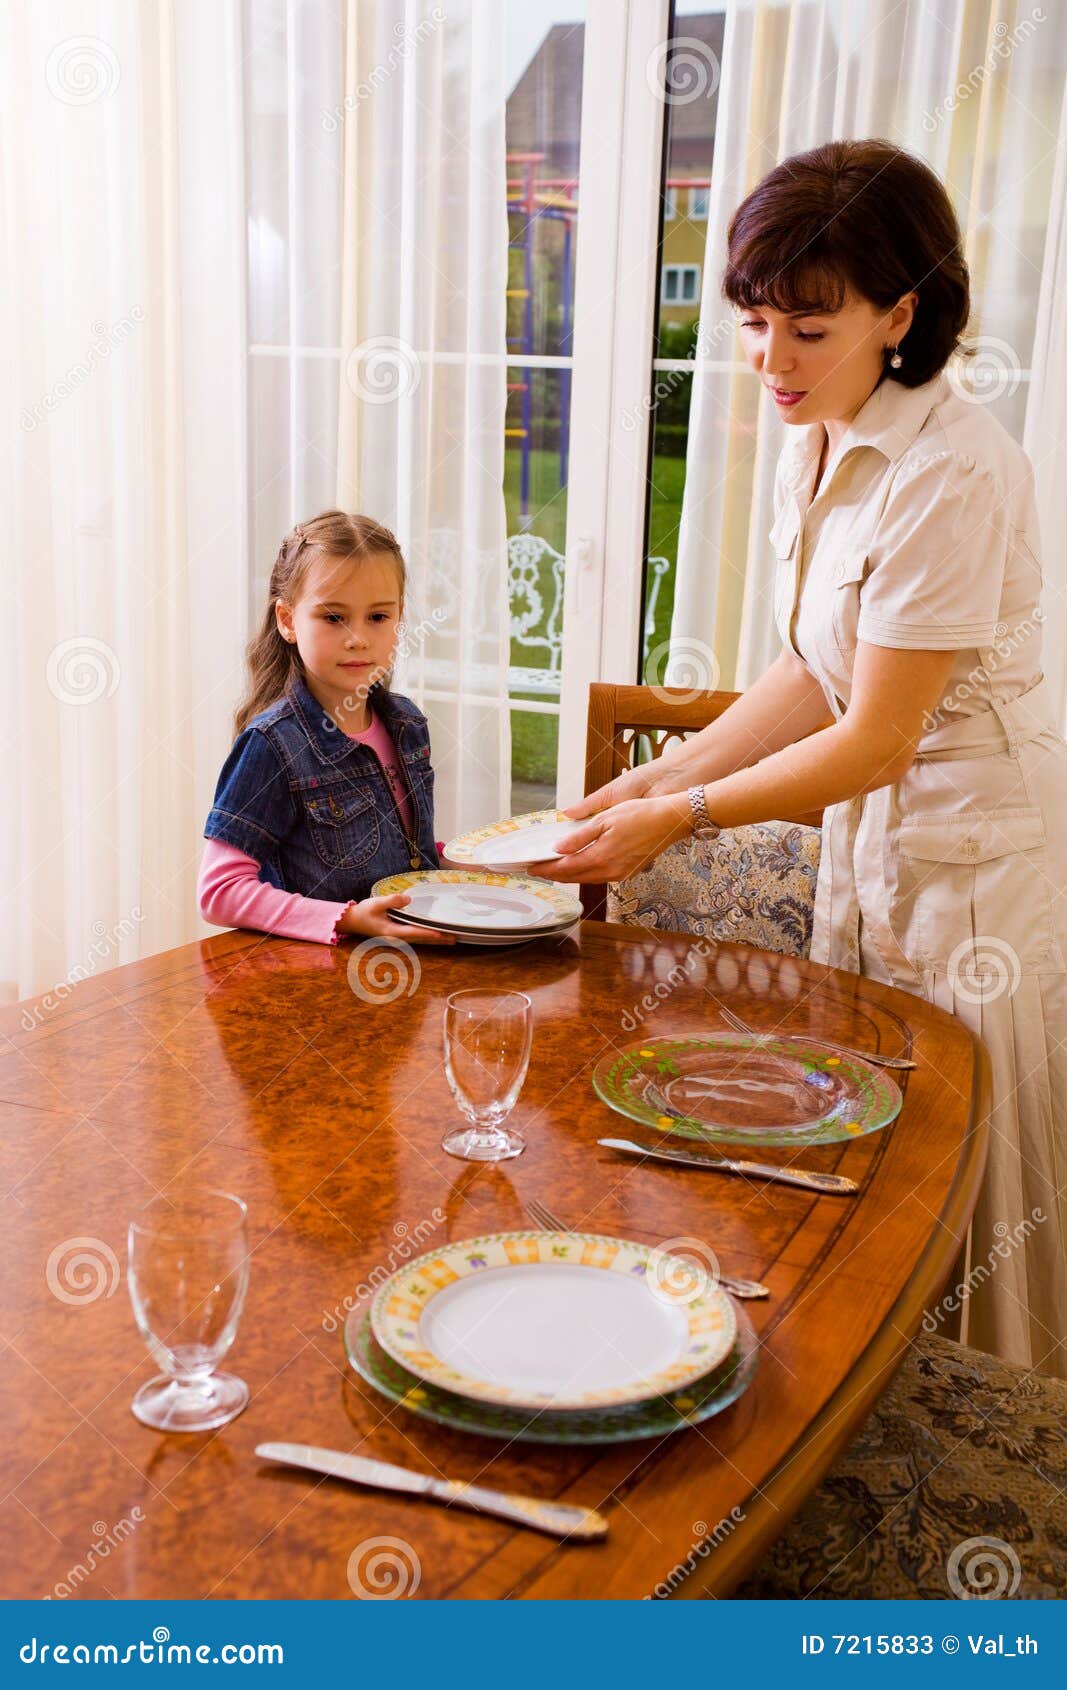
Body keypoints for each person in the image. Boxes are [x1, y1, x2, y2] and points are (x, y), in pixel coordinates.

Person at [538, 140, 1067, 1379]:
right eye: (752, 321)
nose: (769, 360)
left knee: (974, 1190)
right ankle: (866, 1417)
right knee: (875, 1158)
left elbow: (878, 734)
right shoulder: (818, 429)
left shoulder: (951, 468)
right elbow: (815, 671)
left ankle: (990, 1458)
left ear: (901, 313)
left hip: (973, 860)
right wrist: (651, 781)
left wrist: (687, 816)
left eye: (807, 329)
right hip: (884, 835)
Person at [198, 510, 453, 947]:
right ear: (287, 620)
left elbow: (408, 852)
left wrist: (480, 862)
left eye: (377, 617)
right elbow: (219, 893)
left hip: (406, 965)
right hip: (318, 981)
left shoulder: (407, 725)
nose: (358, 638)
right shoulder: (273, 744)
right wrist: (347, 919)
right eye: (334, 618)